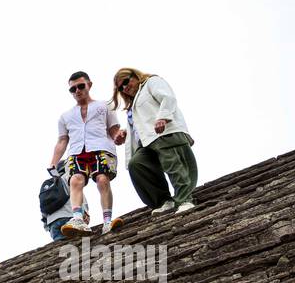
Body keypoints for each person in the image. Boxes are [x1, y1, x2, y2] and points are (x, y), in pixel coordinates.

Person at [111, 67, 198, 215]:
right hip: (147, 142)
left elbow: (168, 98)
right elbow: (142, 123)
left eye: (126, 82)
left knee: (173, 165)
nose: (125, 88)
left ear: (135, 76)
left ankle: (185, 200)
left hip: (165, 133)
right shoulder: (133, 104)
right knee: (137, 164)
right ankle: (163, 201)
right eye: (121, 88)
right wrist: (126, 132)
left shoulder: (151, 82)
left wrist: (162, 117)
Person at [50, 71, 125, 237]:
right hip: (77, 151)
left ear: (89, 85)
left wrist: (119, 137)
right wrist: (53, 162)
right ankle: (77, 217)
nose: (77, 90)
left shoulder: (105, 106)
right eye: (73, 89)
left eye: (80, 86)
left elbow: (114, 130)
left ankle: (107, 220)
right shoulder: (65, 116)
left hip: (101, 147)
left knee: (102, 179)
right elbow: (62, 140)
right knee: (76, 180)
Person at [44, 170, 91, 241]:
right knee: (77, 247)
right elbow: (79, 199)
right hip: (70, 218)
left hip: (52, 224)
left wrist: (47, 226)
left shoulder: (48, 186)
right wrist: (85, 213)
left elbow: (43, 208)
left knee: (62, 249)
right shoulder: (70, 178)